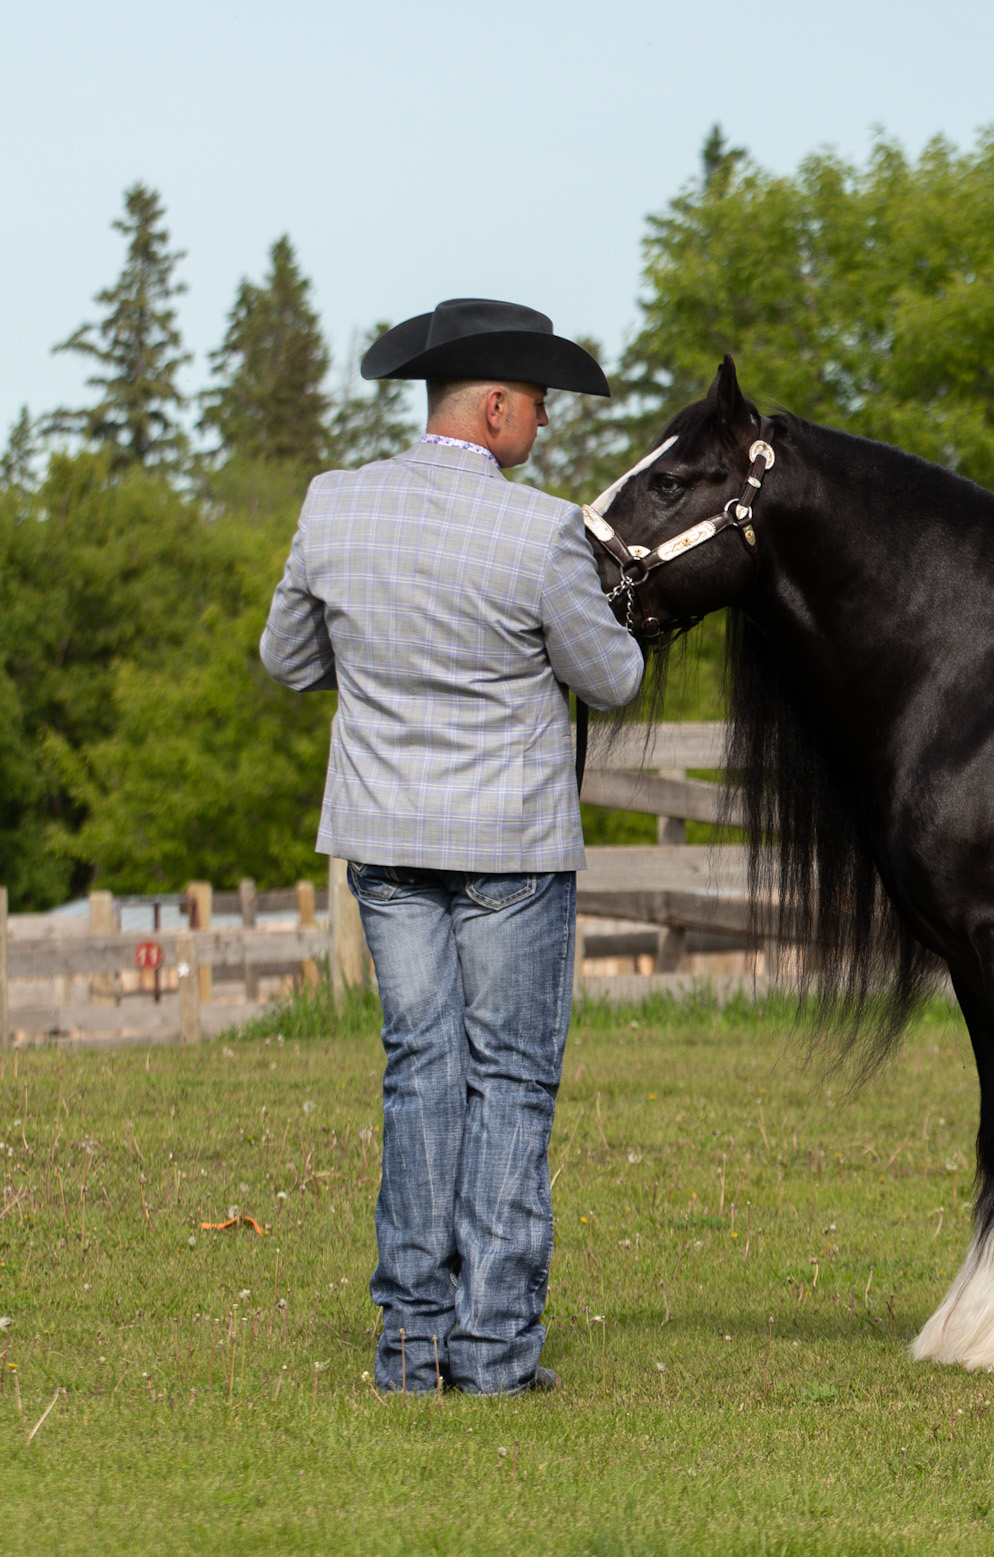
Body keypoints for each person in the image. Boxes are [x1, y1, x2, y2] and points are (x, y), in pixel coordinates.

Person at [261, 298, 644, 1395]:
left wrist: (383, 674)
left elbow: (288, 660)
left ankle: (411, 1347)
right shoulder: (539, 532)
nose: (541, 431)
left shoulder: (333, 508)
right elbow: (610, 680)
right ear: (493, 407)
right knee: (510, 1084)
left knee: (417, 1070)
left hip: (384, 836)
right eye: (535, 409)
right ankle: (491, 1351)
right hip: (510, 847)